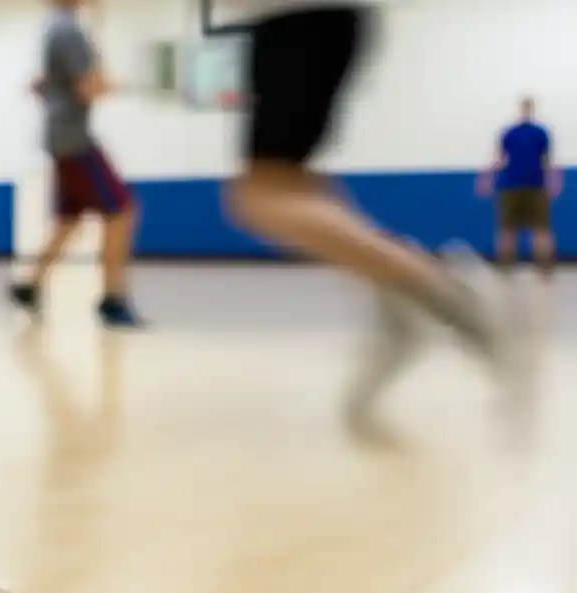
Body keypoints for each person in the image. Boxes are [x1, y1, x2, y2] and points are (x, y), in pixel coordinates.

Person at [224, 1, 515, 434]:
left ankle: (446, 290)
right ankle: (395, 306)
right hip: (297, 23)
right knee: (291, 188)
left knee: (260, 197)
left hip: (299, 21)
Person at [10, 0, 143, 329]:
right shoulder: (71, 31)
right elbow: (89, 88)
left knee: (68, 219)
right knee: (121, 211)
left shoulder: (54, 28)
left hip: (59, 138)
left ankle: (29, 286)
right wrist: (114, 84)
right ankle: (113, 300)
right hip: (74, 140)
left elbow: (40, 84)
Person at [478, 97, 561, 276]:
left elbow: (499, 159)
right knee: (540, 229)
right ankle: (545, 268)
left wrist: (486, 179)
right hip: (535, 185)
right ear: (532, 109)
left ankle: (505, 267)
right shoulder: (540, 133)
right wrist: (553, 182)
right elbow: (547, 161)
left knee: (508, 229)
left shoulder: (509, 133)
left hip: (511, 186)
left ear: (520, 109)